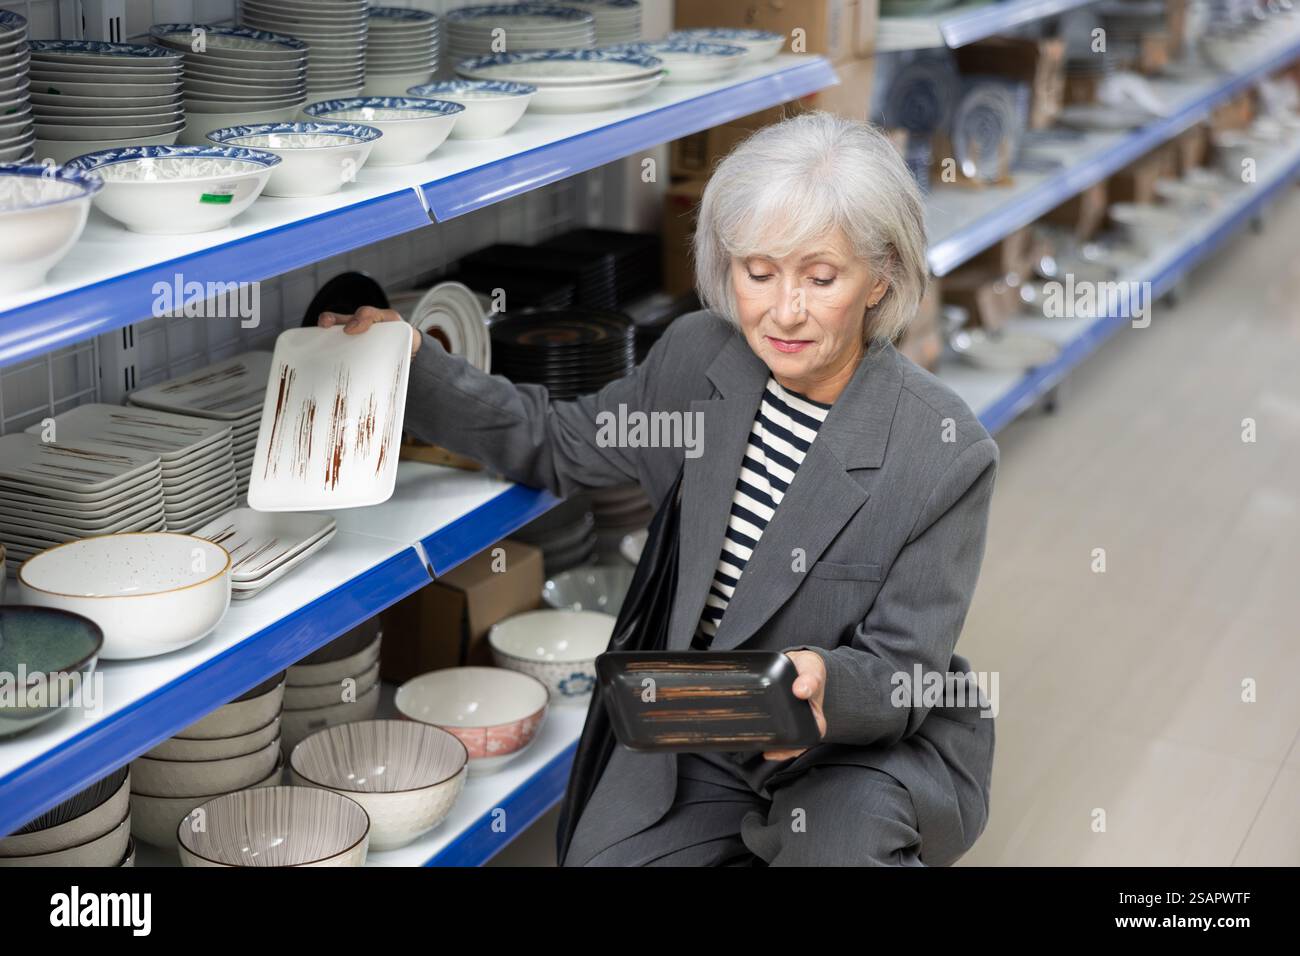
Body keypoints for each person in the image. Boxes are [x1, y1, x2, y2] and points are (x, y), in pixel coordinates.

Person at [321, 111, 998, 866]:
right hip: (702, 731)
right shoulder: (699, 360)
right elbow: (558, 441)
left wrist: (822, 685)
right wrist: (413, 361)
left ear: (882, 278)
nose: (784, 311)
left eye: (821, 276)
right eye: (759, 272)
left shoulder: (944, 451)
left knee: (838, 851)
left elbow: (904, 676)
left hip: (853, 751)